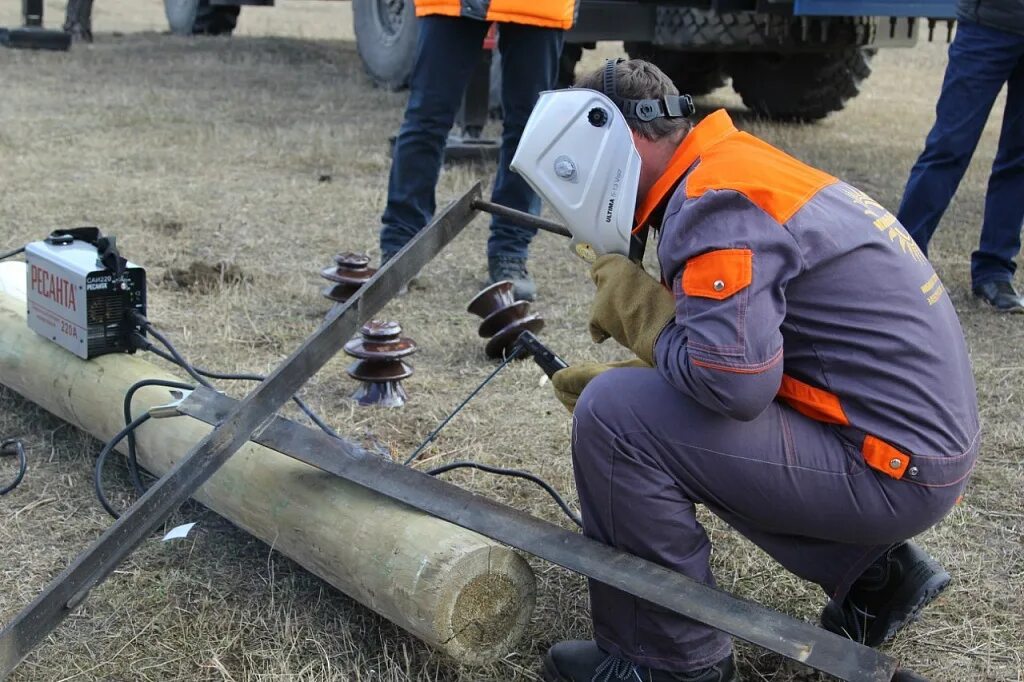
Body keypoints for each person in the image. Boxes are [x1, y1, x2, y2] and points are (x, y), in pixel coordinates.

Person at [522, 60, 979, 681]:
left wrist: (645, 329)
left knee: (617, 418)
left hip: (890, 465)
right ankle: (874, 574)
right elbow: (762, 349)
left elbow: (730, 383)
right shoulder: (732, 165)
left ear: (616, 142)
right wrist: (656, 369)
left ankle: (666, 661)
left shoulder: (713, 204)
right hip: (907, 445)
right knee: (642, 407)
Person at [378, 0, 577, 301]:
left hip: (539, 6)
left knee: (529, 131)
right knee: (426, 117)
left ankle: (510, 254)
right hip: (452, 5)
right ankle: (399, 251)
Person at [898, 1, 1024, 312]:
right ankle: (900, 261)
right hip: (988, 26)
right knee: (949, 147)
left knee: (1020, 158)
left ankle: (994, 271)